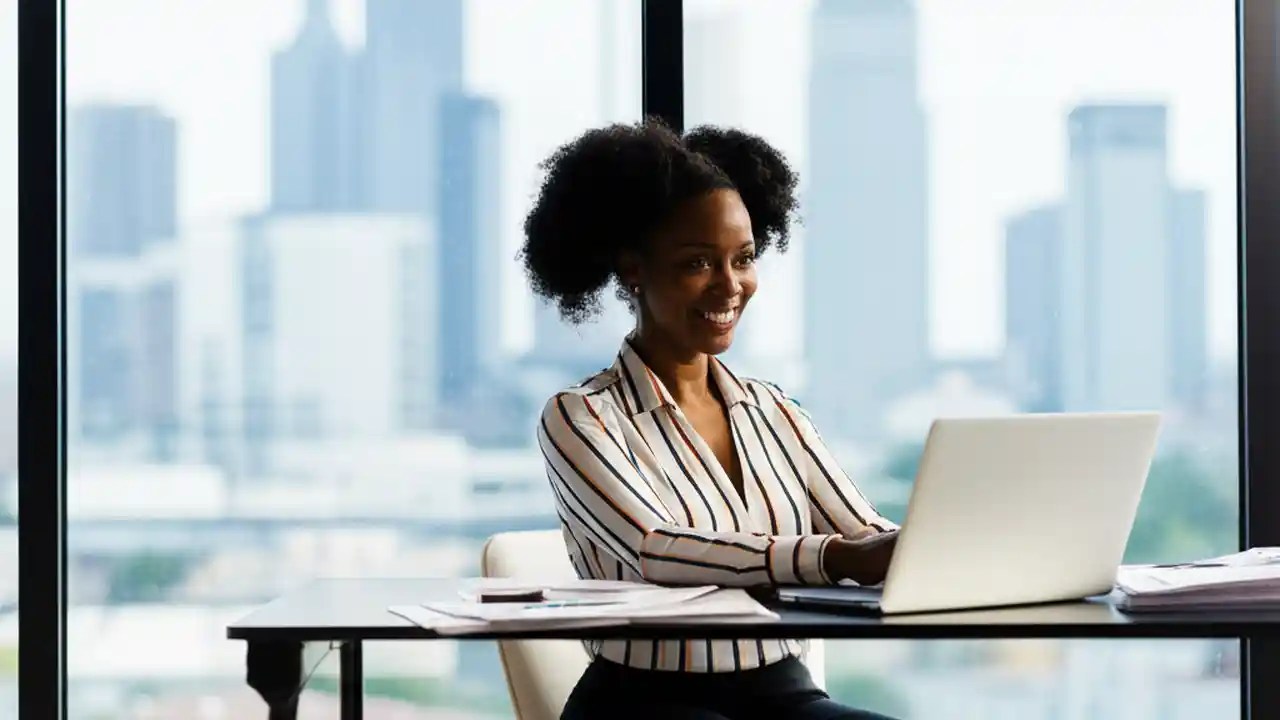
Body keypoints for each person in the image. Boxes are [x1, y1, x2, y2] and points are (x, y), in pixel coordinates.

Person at [522, 118, 900, 720]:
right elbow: (658, 550)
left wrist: (932, 548)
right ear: (633, 269)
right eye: (698, 263)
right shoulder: (581, 417)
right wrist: (831, 557)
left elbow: (864, 538)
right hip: (643, 702)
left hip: (782, 693)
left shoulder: (774, 411)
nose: (730, 286)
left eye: (743, 259)